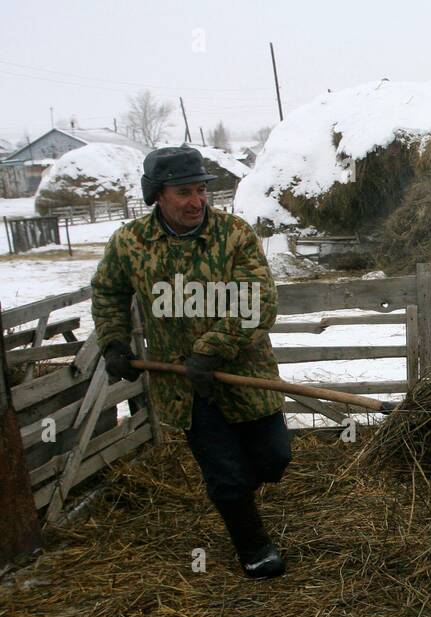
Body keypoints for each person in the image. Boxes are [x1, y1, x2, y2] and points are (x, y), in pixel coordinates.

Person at [91, 145, 290, 578]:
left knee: (274, 458)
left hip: (245, 372)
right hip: (184, 383)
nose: (197, 201)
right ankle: (254, 547)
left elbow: (259, 300)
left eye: (201, 189)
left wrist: (213, 347)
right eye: (184, 191)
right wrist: (113, 341)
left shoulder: (233, 233)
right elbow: (108, 291)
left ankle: (239, 492)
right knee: (226, 476)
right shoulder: (131, 243)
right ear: (157, 195)